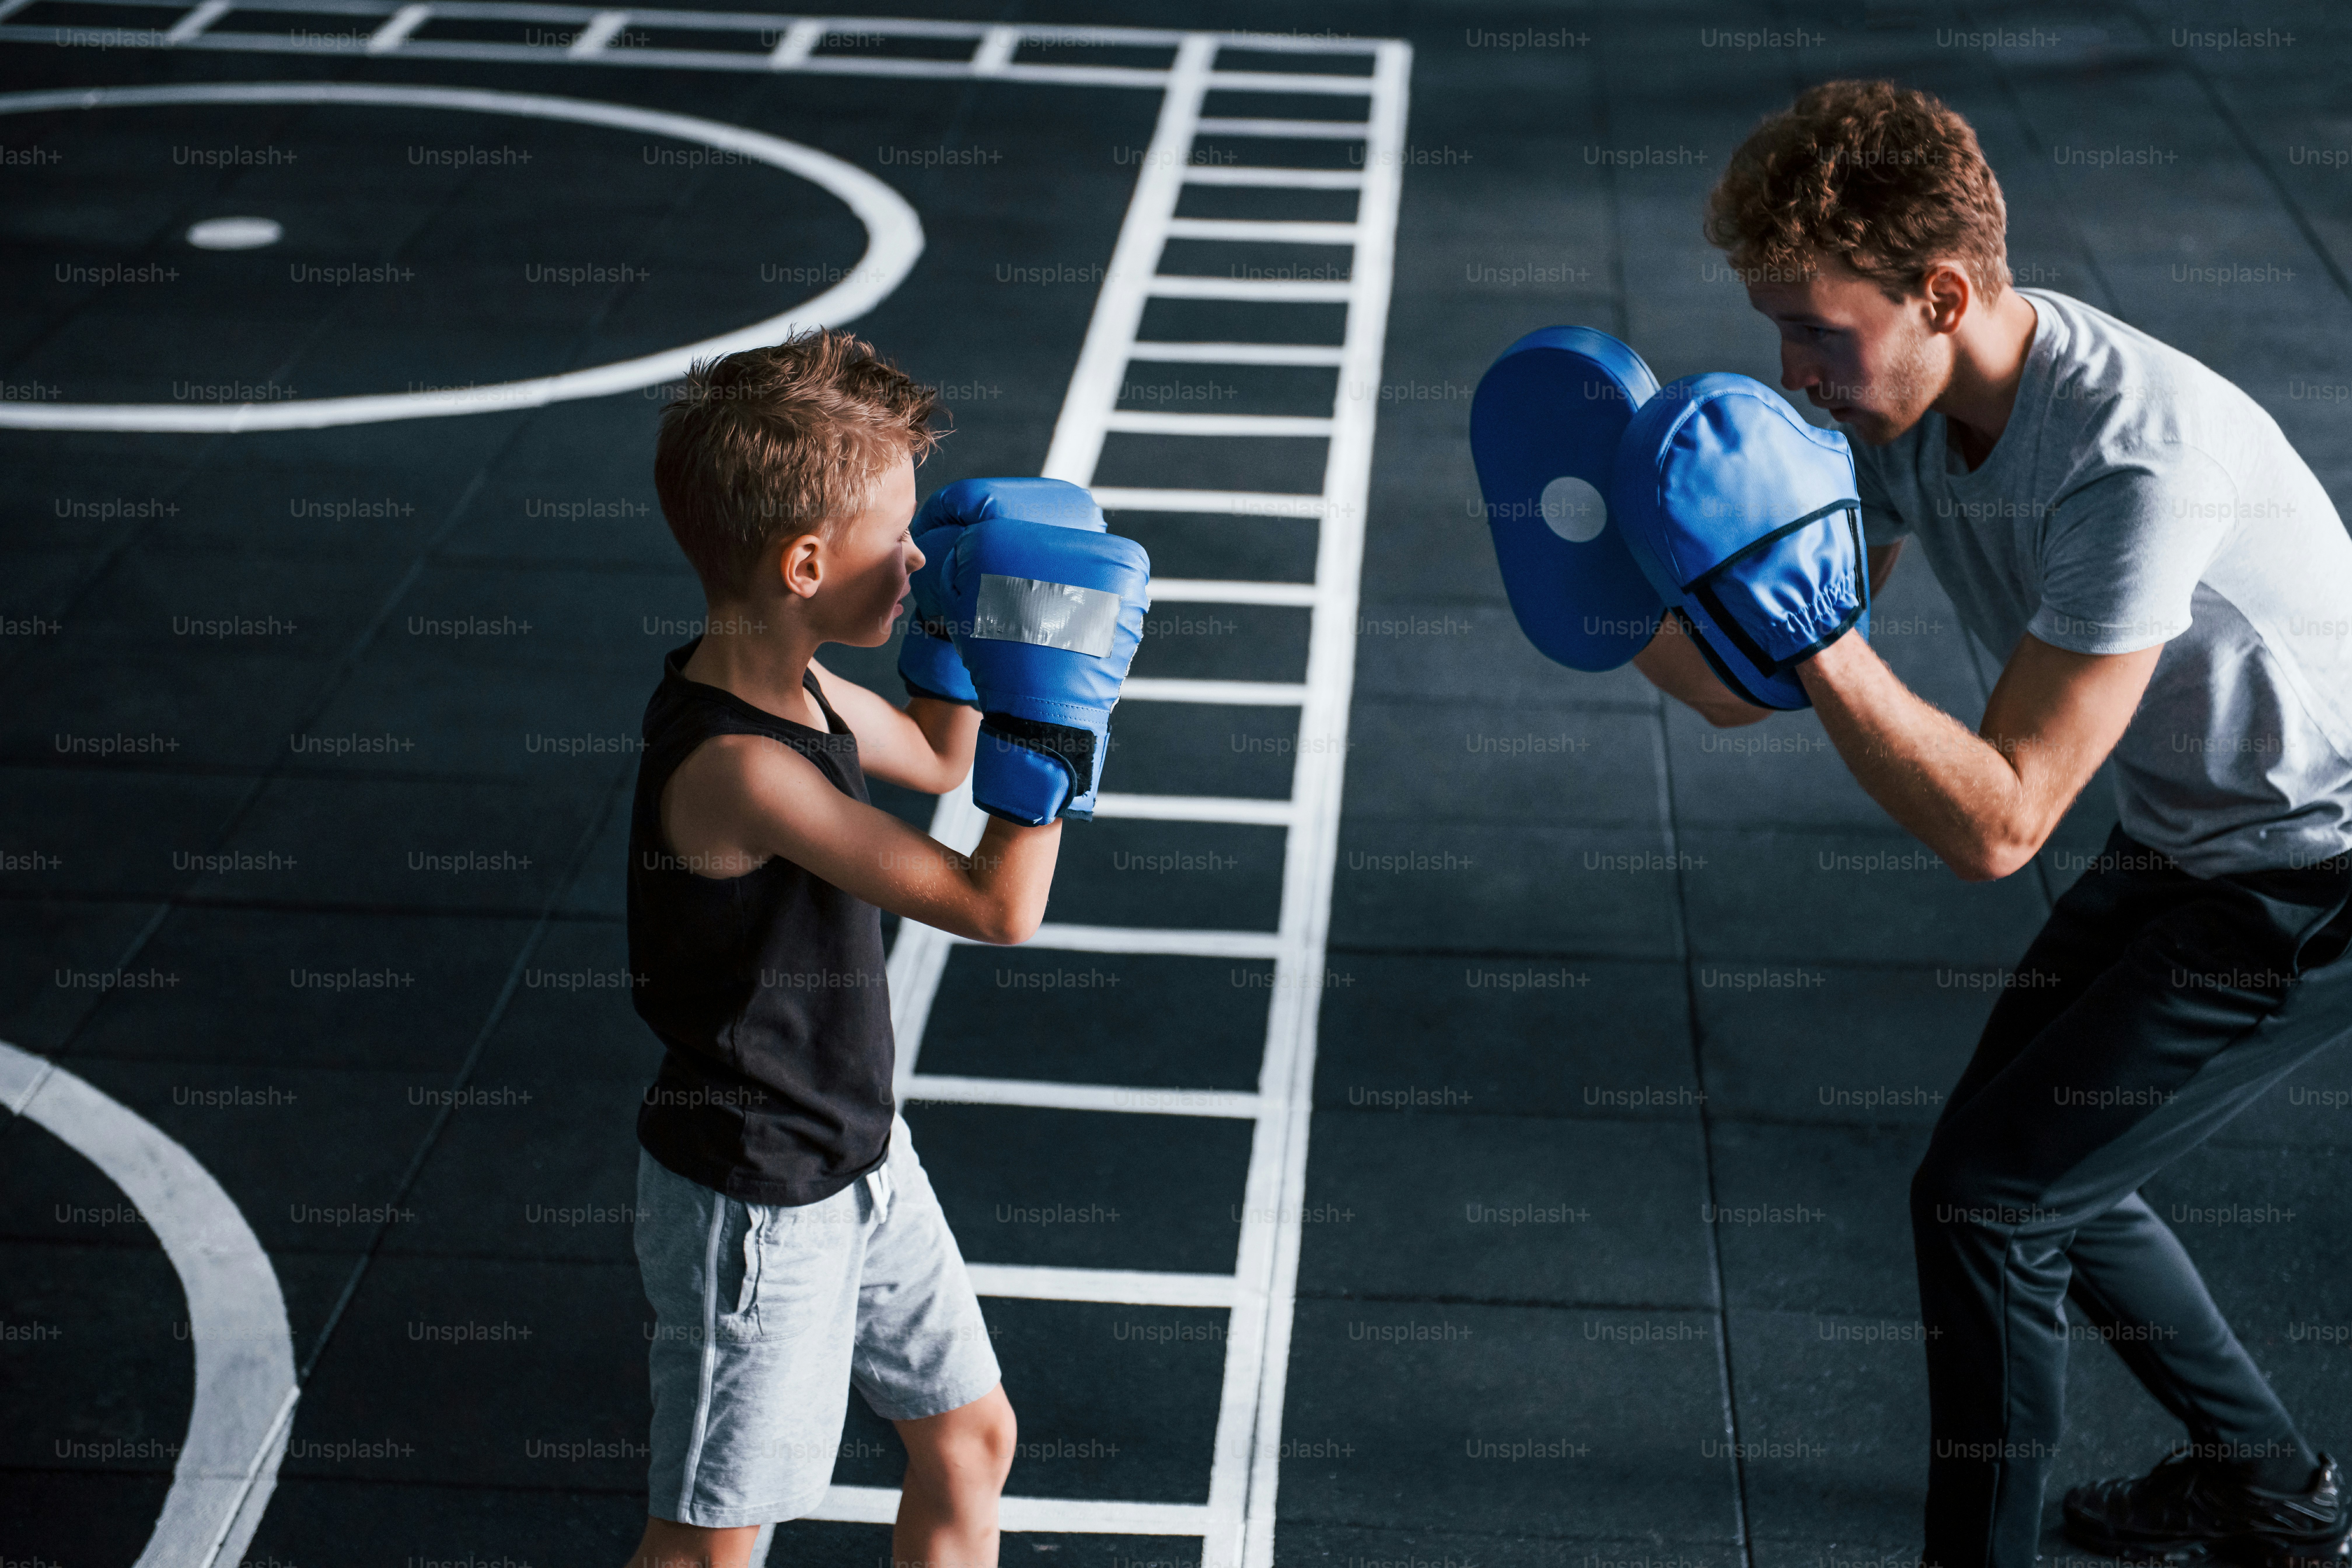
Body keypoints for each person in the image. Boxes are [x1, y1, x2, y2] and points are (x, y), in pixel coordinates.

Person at [1649, 80, 2352, 1568]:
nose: (1793, 378)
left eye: (1815, 333)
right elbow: (1746, 691)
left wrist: (1818, 639)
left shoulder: (2131, 464)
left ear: (1945, 295)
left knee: (1993, 1203)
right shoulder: (1907, 411)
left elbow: (2001, 825)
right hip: (2191, 834)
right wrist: (1614, 585)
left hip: (2312, 876)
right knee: (2022, 1181)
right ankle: (2274, 1489)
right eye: (1777, 333)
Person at [618, 330, 1142, 1568]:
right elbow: (996, 905)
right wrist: (1058, 734)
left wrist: (959, 631)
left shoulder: (798, 687)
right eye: (898, 539)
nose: (916, 559)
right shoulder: (742, 767)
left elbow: (942, 757)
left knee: (970, 1442)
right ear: (804, 564)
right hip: (757, 1203)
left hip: (858, 1153)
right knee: (706, 1550)